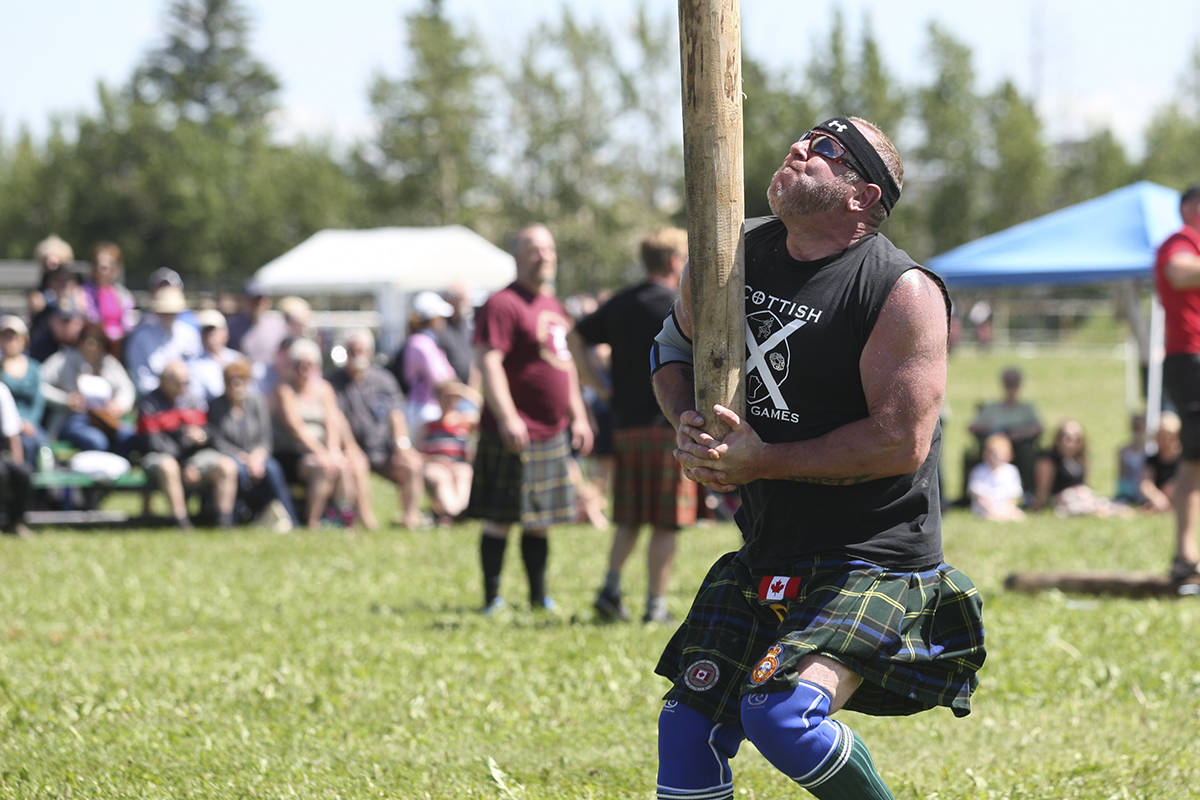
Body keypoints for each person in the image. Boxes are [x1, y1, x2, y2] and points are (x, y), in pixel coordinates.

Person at [650, 117, 985, 799]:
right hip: (772, 544)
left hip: (875, 556)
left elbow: (901, 441)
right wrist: (686, 421)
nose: (801, 148)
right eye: (803, 138)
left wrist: (759, 460)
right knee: (686, 728)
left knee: (782, 715)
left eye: (829, 150)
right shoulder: (731, 252)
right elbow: (670, 350)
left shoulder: (901, 291)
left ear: (865, 196)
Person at [464, 223, 594, 614]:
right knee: (501, 518)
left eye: (549, 249)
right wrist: (507, 416)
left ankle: (539, 597)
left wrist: (580, 417)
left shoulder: (553, 306)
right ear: (518, 256)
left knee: (541, 520)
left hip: (551, 429)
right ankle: (492, 598)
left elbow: (565, 365)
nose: (545, 256)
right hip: (515, 430)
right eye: (535, 250)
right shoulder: (502, 304)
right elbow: (488, 362)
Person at [572, 226, 697, 624]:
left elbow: (576, 337)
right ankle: (655, 605)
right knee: (665, 522)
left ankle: (610, 589)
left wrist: (599, 386)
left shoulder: (621, 302)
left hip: (625, 425)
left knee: (628, 518)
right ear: (676, 261)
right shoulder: (682, 302)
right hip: (669, 422)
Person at [272, 337, 374, 529]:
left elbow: (332, 423)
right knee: (324, 467)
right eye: (299, 365)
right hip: (295, 452)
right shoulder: (284, 390)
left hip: (324, 449)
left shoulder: (324, 389)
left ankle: (346, 517)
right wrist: (322, 452)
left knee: (345, 465)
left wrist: (333, 450)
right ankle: (313, 521)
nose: (304, 370)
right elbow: (295, 427)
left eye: (308, 365)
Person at [329, 329, 424, 529]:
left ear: (370, 353)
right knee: (357, 464)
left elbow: (396, 415)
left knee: (412, 463)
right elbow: (337, 419)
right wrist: (350, 447)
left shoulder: (384, 380)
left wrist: (402, 445)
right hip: (353, 446)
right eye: (353, 351)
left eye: (362, 351)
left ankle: (410, 517)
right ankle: (366, 519)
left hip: (385, 447)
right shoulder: (334, 383)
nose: (357, 355)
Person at [1154, 184, 1200, 584]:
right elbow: (1179, 271)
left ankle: (1187, 557)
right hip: (1191, 359)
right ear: (1190, 207)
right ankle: (1186, 557)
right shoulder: (1181, 241)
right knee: (1194, 458)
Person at [135, 359, 238, 529]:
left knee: (227, 465)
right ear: (165, 381)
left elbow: (211, 433)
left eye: (187, 382)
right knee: (169, 466)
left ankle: (224, 521)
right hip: (161, 458)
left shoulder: (192, 400)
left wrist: (202, 436)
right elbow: (152, 442)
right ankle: (181, 522)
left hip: (193, 456)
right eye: (179, 383)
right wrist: (184, 460)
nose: (184, 387)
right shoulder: (149, 404)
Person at [206, 360, 299, 531]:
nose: (236, 385)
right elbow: (217, 440)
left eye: (240, 380)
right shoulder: (216, 406)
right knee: (239, 473)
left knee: (273, 470)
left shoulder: (257, 402)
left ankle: (291, 518)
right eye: (231, 380)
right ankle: (232, 520)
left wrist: (258, 455)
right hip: (232, 457)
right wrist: (242, 457)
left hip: (258, 455)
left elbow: (265, 437)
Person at [39, 323, 137, 454]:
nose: (92, 346)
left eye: (97, 341)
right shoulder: (64, 359)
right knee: (97, 441)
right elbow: (38, 384)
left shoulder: (109, 362)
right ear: (80, 341)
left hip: (106, 419)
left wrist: (119, 405)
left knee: (127, 435)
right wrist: (65, 400)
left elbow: (127, 388)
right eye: (87, 340)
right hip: (73, 419)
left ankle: (119, 471)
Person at [966, 367, 1042, 502]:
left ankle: (1029, 493)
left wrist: (1018, 434)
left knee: (1027, 452)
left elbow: (1038, 428)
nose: (1011, 387)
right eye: (1008, 383)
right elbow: (972, 427)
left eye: (1014, 383)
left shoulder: (1027, 408)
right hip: (994, 442)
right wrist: (994, 431)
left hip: (1020, 444)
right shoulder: (991, 407)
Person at [1032, 419, 1125, 517]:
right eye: (1067, 438)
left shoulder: (1081, 459)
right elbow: (1042, 490)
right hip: (1063, 499)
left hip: (1082, 495)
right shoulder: (1048, 460)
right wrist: (1038, 507)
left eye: (1077, 439)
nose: (1071, 443)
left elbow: (1085, 483)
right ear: (1058, 439)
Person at [419, 380, 480, 524]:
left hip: (459, 464)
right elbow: (416, 452)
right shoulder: (428, 425)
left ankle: (457, 511)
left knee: (464, 475)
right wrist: (433, 460)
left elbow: (483, 408)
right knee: (441, 477)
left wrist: (465, 392)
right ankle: (454, 512)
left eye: (453, 398)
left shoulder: (465, 422)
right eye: (445, 397)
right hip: (436, 464)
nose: (449, 401)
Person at [124, 285, 202, 395]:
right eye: (164, 312)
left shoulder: (189, 334)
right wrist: (167, 387)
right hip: (155, 397)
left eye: (172, 313)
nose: (168, 316)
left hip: (185, 394)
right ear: (157, 312)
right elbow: (141, 378)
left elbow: (195, 369)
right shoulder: (141, 338)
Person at [400, 291, 459, 439]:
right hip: (425, 410)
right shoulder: (420, 342)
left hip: (431, 408)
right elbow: (440, 379)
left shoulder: (425, 342)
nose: (443, 321)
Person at [0, 315, 48, 469]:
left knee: (41, 445)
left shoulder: (34, 368)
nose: (10, 341)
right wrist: (16, 423)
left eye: (14, 337)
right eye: (5, 337)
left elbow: (38, 400)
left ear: (24, 340)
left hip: (30, 424)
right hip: (5, 424)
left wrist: (30, 421)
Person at [81, 242, 136, 353]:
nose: (101, 270)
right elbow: (90, 318)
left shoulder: (123, 294)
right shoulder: (84, 291)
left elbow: (128, 324)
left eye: (106, 267)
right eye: (98, 265)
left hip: (119, 346)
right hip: (93, 345)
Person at [187, 309, 241, 409]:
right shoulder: (193, 365)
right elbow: (197, 400)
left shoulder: (237, 359)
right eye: (205, 331)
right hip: (211, 417)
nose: (208, 336)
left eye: (212, 331)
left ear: (224, 333)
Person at [967, 433, 1025, 521]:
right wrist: (991, 508)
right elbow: (979, 495)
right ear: (985, 454)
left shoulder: (1011, 471)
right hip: (985, 506)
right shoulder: (979, 471)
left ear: (1009, 455)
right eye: (993, 454)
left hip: (1004, 504)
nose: (997, 457)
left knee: (1019, 515)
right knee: (988, 515)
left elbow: (1013, 496)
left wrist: (1008, 507)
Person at [0, 381, 33, 538]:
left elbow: (12, 432)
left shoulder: (2, 390)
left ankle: (15, 522)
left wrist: (17, 463)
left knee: (23, 473)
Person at [1139, 411, 1182, 514]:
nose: (1163, 440)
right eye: (1160, 436)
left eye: (1167, 436)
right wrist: (1157, 498)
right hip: (1158, 502)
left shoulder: (1184, 460)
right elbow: (1146, 483)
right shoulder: (1152, 459)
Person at [1114, 411, 1148, 505]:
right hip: (1129, 489)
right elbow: (1121, 476)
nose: (1137, 430)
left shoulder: (1150, 450)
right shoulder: (1123, 451)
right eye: (1135, 426)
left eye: (1139, 426)